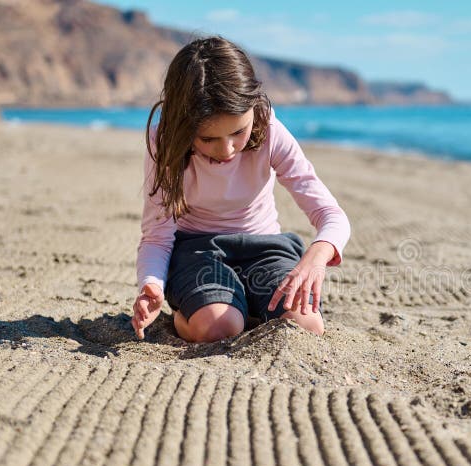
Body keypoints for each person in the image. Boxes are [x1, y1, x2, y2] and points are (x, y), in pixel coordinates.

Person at [130, 36, 350, 343]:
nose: (227, 149)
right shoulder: (164, 141)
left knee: (305, 326)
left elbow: (330, 214)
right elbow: (158, 234)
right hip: (198, 251)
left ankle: (241, 303)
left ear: (253, 107)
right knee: (218, 328)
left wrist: (317, 255)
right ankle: (200, 310)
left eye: (238, 132)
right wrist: (151, 284)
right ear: (183, 124)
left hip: (266, 249)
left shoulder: (269, 129)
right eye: (207, 139)